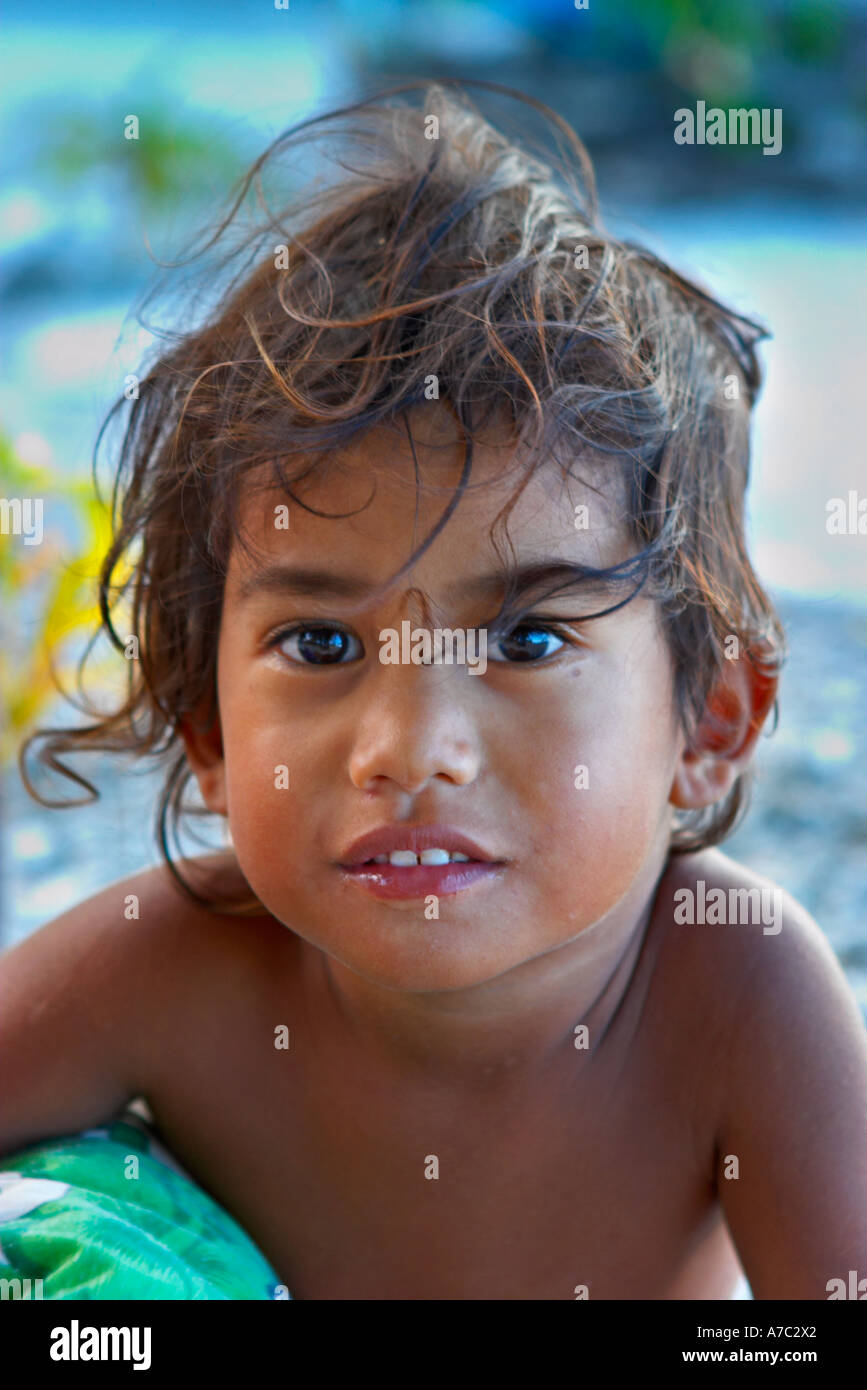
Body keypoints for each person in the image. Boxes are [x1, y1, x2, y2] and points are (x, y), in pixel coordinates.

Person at [4, 83, 866, 1300]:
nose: (411, 749)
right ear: (209, 731)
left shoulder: (737, 993)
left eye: (524, 640)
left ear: (709, 720)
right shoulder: (171, 964)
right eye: (318, 645)